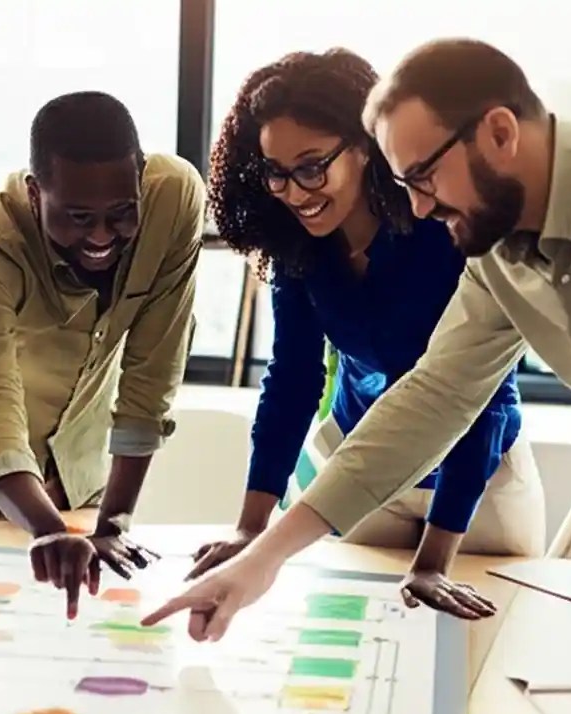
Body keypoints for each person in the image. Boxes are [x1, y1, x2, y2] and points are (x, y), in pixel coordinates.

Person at [142, 36, 571, 701]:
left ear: (499, 132)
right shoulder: (498, 253)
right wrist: (262, 557)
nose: (414, 207)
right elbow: (434, 398)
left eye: (421, 176)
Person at [186, 49, 545, 615]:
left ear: (365, 147)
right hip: (362, 465)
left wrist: (432, 563)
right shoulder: (299, 249)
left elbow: (479, 400)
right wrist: (250, 529)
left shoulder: (444, 227)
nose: (293, 191)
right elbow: (293, 382)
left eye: (311, 166)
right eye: (274, 172)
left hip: (475, 485)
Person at [0, 91, 204, 617]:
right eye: (77, 217)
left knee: (76, 613)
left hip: (76, 442)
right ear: (33, 192)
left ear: (140, 179)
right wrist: (48, 530)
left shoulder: (175, 199)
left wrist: (114, 524)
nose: (100, 237)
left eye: (120, 214)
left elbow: (153, 370)